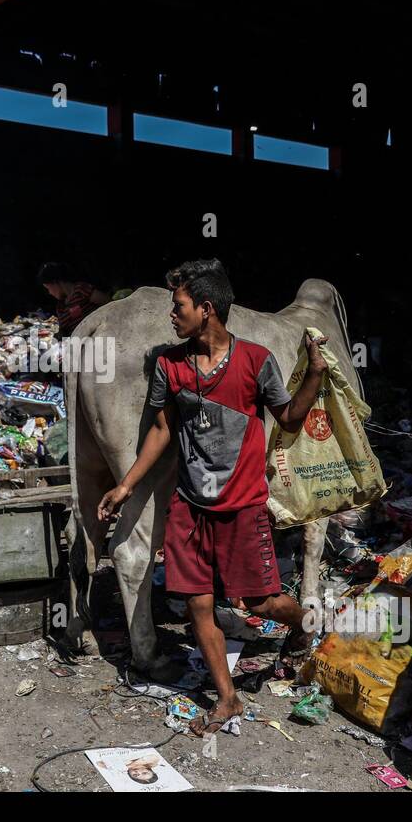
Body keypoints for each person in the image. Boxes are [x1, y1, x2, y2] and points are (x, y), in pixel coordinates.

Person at [97, 258, 327, 738]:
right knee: (199, 605)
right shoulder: (170, 365)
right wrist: (125, 485)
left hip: (242, 507)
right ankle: (228, 697)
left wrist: (315, 376)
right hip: (189, 505)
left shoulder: (256, 361)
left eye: (178, 305)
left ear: (206, 308)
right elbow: (161, 431)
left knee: (260, 604)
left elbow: (287, 419)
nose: (171, 315)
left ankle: (305, 623)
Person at [37, 262, 110, 336]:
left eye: (48, 288)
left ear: (56, 282)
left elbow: (108, 303)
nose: (49, 292)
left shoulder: (81, 290)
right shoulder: (61, 307)